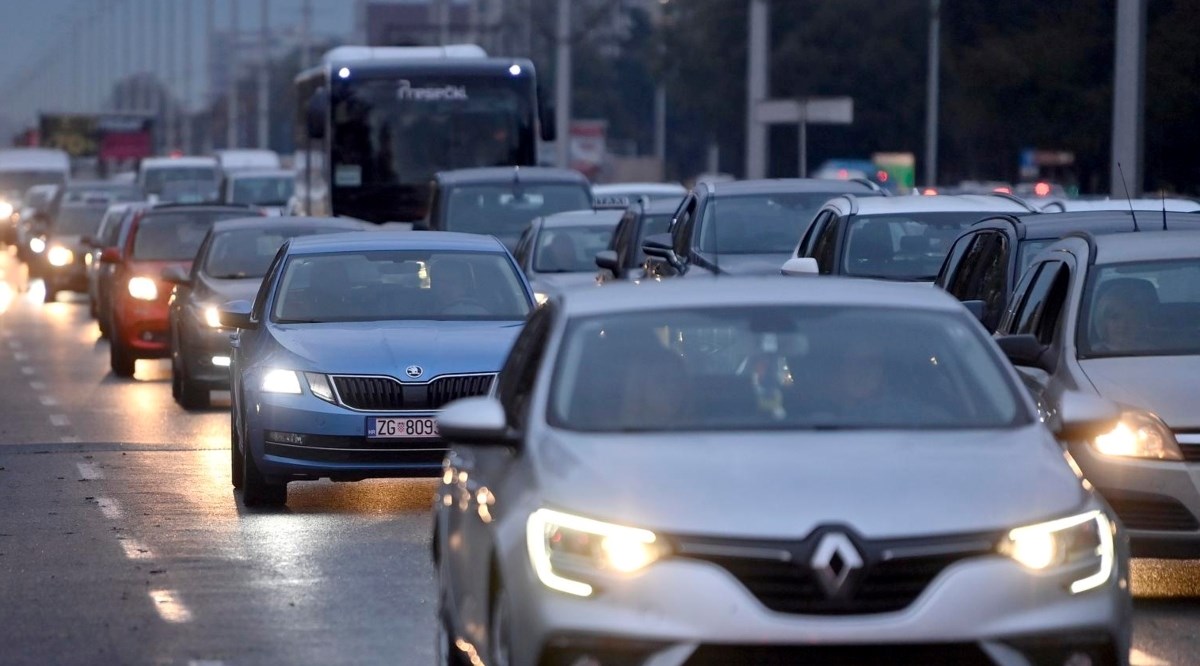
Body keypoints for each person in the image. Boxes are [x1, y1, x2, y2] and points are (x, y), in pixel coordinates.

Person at [1092, 278, 1157, 353]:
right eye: (1115, 317)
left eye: (1131, 317)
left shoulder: (1153, 352)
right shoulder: (1093, 354)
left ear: (1139, 321)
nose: (1123, 324)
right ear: (1103, 321)